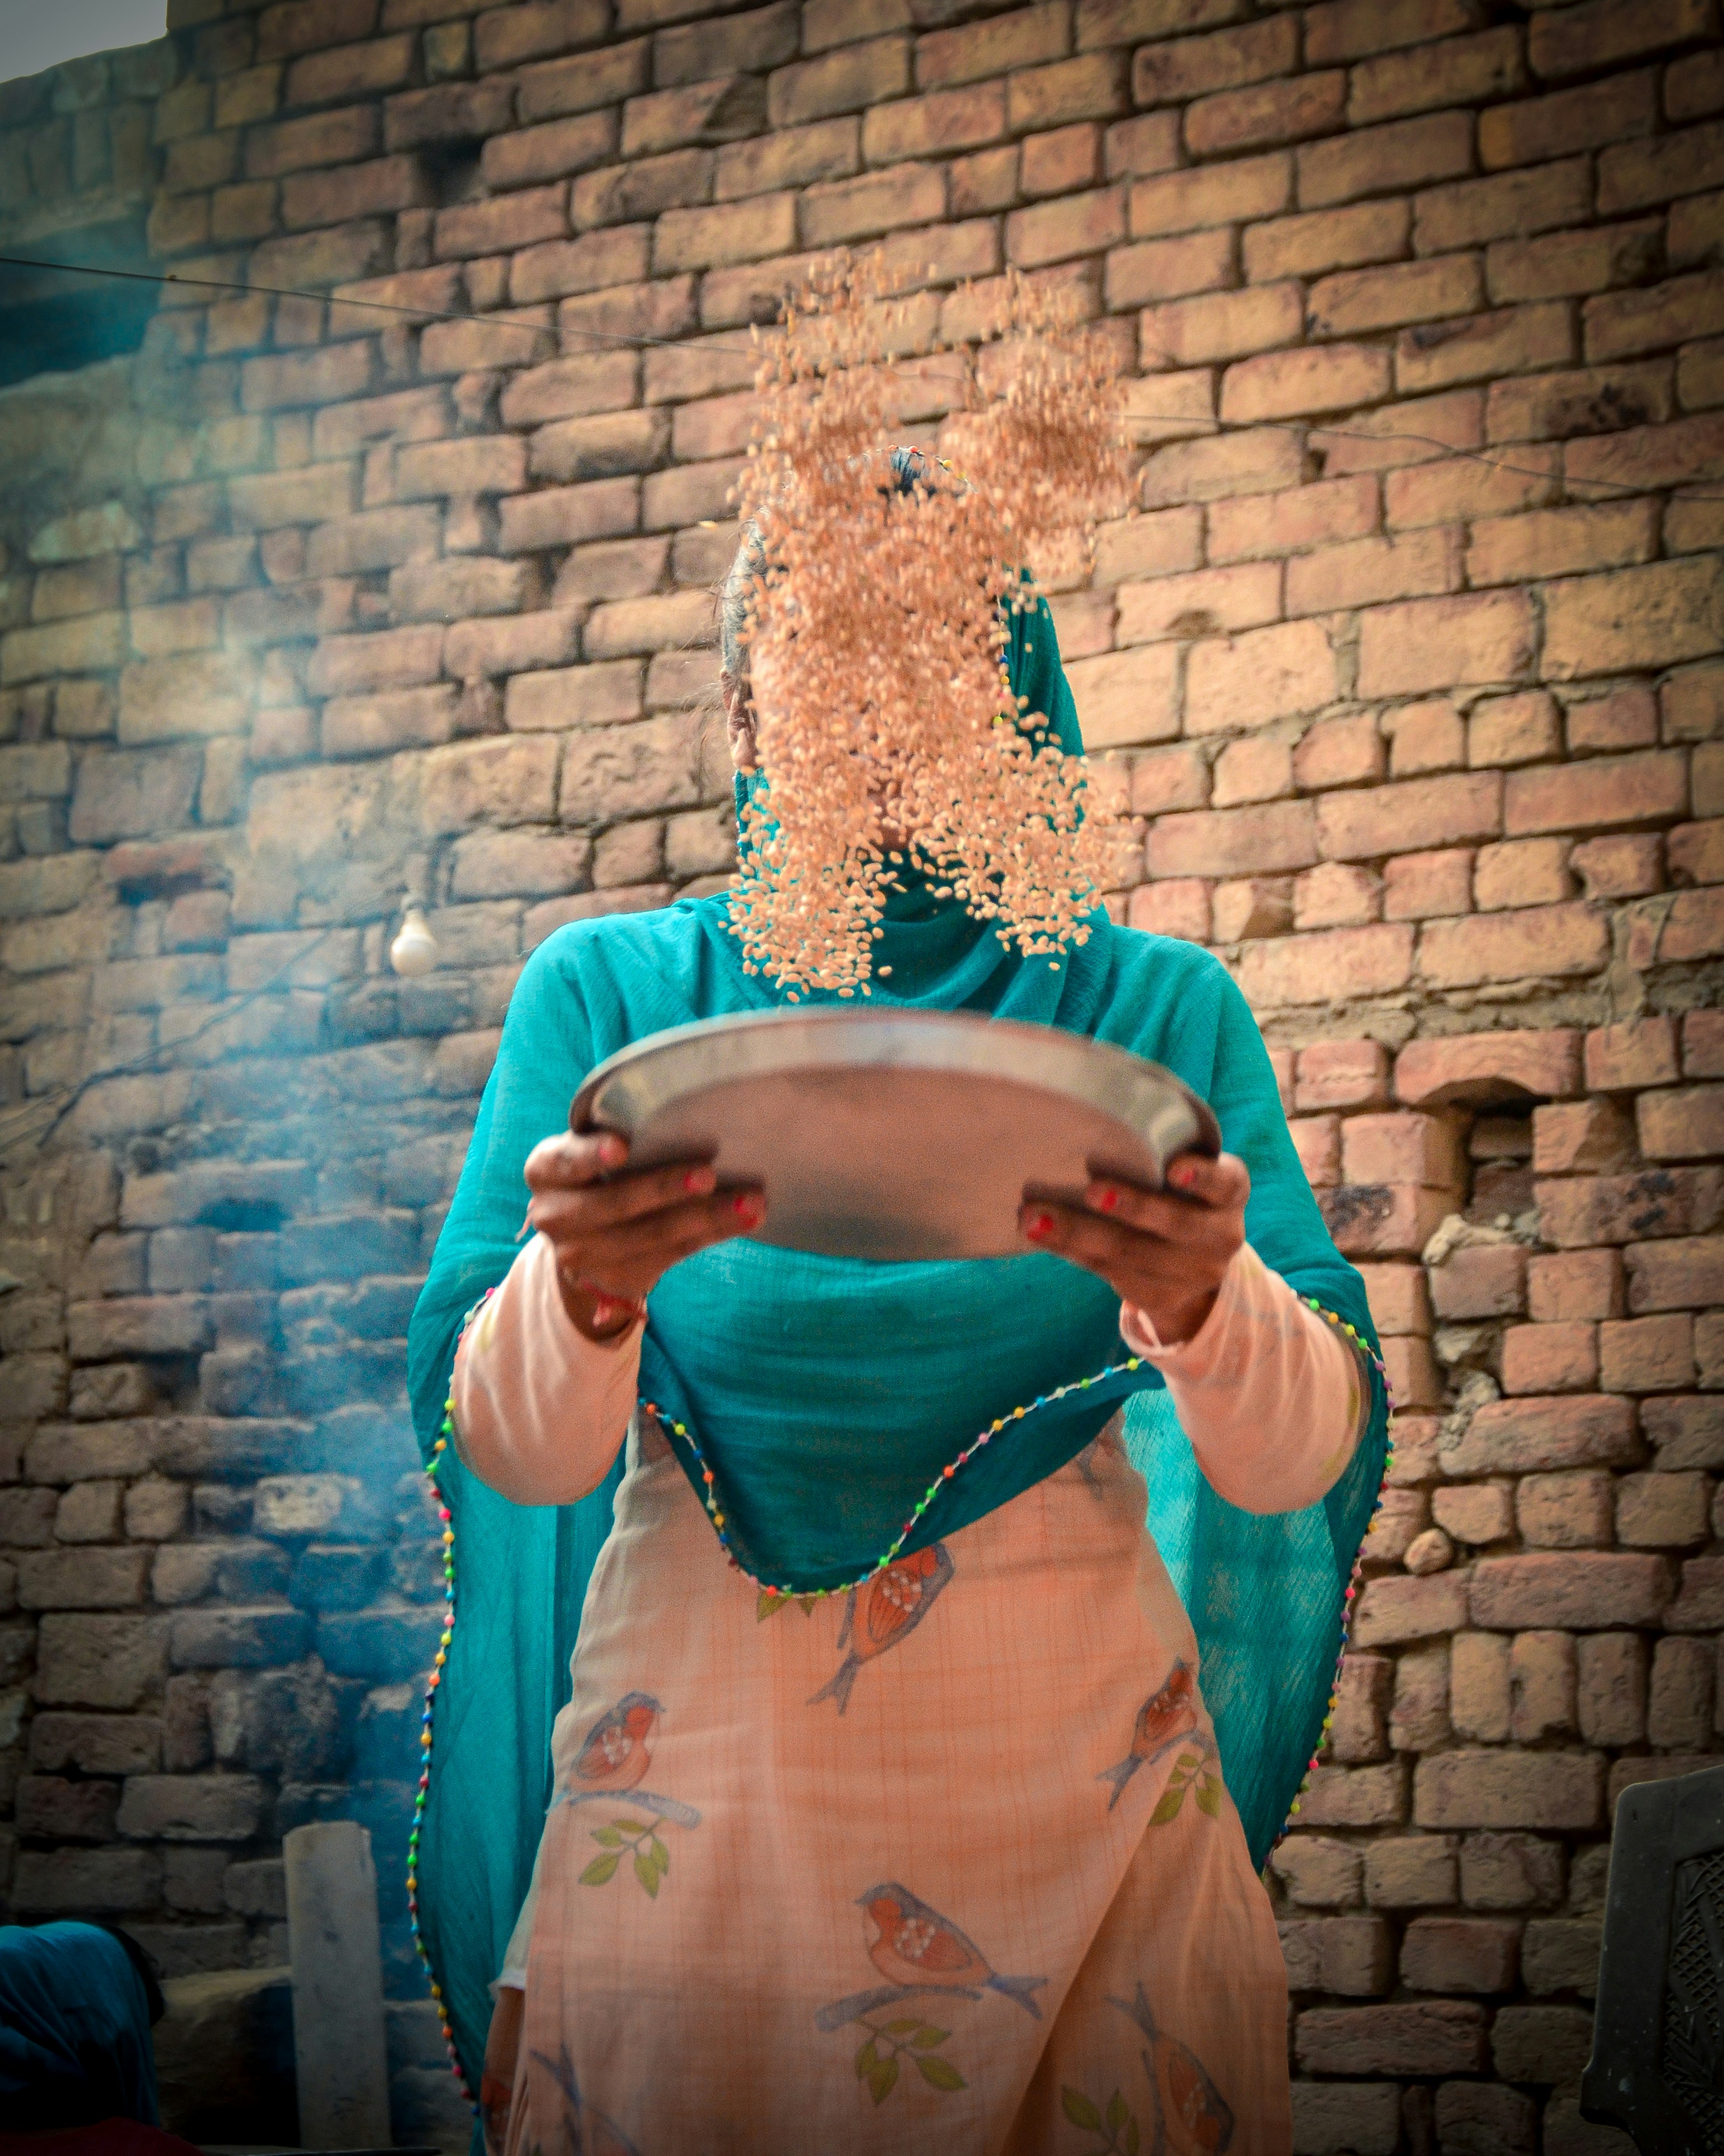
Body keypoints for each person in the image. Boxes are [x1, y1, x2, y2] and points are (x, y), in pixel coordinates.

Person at [407, 483, 1389, 2154]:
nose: (873, 710)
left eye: (931, 657)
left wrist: (1196, 1293)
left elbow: (1295, 1458)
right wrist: (582, 1287)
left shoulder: (1148, 1011)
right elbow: (512, 1445)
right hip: (697, 1805)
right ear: (741, 708)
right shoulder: (619, 1000)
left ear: (1015, 704)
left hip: (1078, 1814)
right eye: (821, 656)